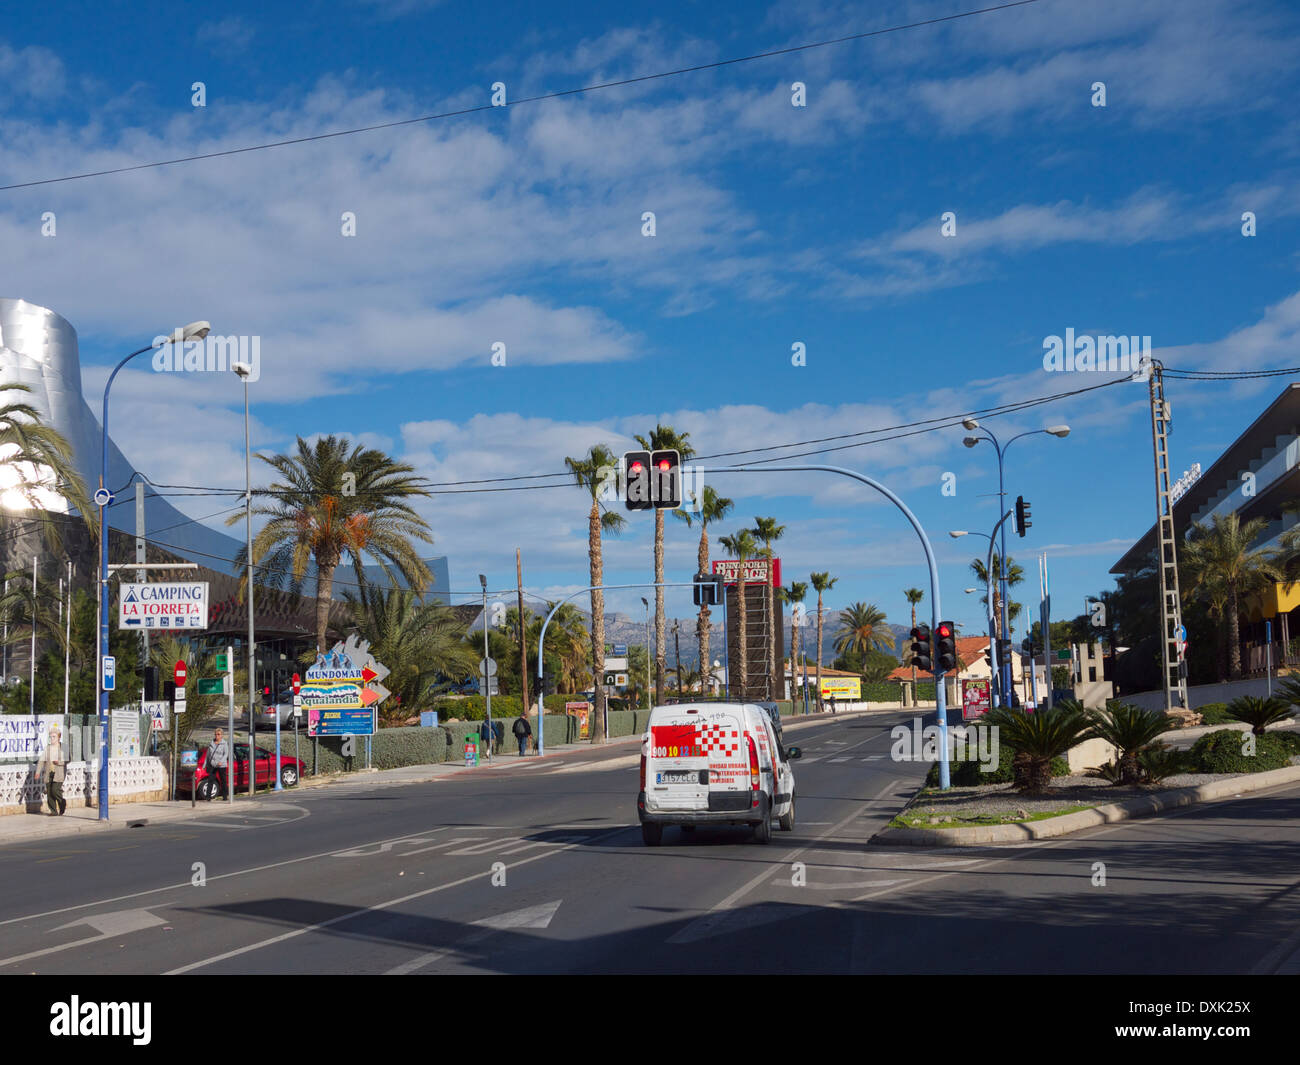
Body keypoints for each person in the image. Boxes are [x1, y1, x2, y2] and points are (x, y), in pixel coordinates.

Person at [36, 724, 67, 815]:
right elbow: (41, 760)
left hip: (59, 773)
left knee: (55, 790)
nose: (52, 738)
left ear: (59, 737)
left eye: (54, 737)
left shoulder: (63, 748)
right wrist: (37, 772)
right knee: (49, 792)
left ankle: (62, 802)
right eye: (51, 737)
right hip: (49, 773)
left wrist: (59, 762)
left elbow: (68, 759)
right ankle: (53, 811)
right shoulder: (48, 748)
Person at [206, 728, 230, 799]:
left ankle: (225, 796)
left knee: (223, 781)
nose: (217, 736)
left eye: (218, 734)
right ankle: (208, 797)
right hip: (213, 765)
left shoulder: (224, 743)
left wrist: (221, 762)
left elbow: (226, 754)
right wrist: (207, 764)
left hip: (221, 765)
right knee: (210, 780)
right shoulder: (211, 743)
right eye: (216, 734)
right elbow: (208, 755)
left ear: (221, 735)